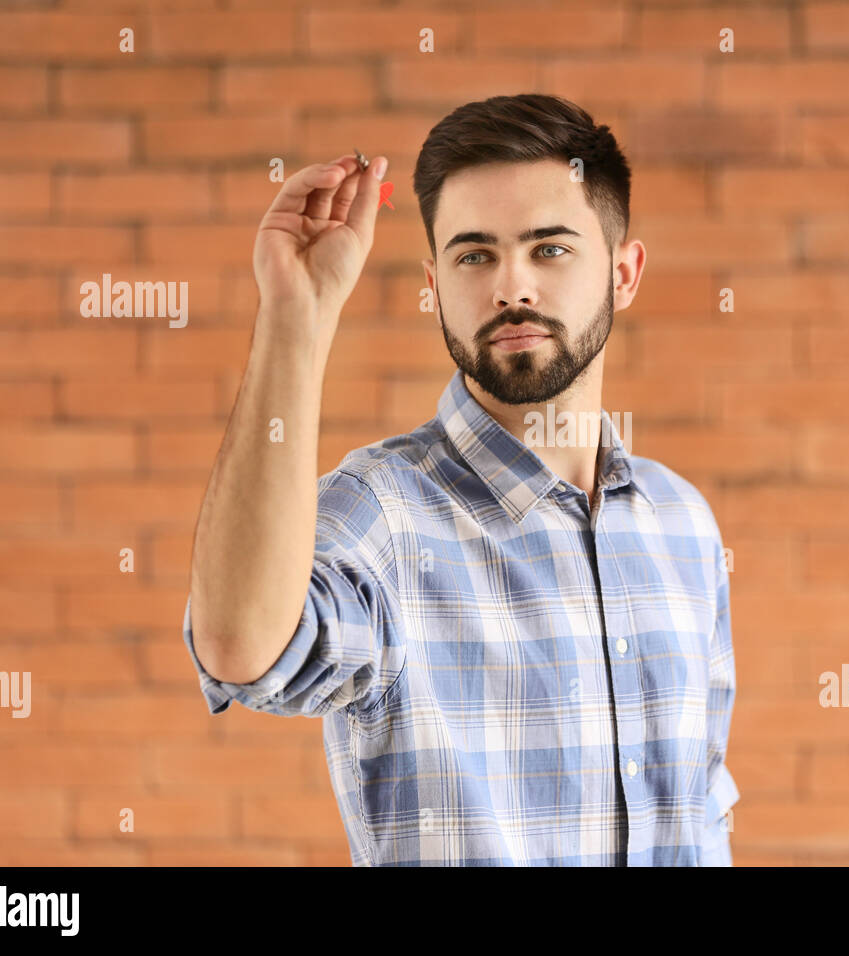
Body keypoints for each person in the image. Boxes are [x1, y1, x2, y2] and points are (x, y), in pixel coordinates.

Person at [182, 93, 738, 866]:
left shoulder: (682, 523)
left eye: (549, 249)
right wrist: (295, 314)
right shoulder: (385, 513)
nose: (512, 286)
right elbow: (244, 647)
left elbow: (701, 808)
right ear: (435, 281)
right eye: (474, 255)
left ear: (623, 272)